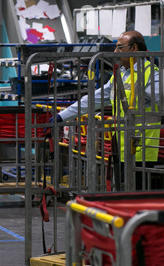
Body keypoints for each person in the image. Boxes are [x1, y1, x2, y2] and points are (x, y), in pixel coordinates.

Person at [53, 30, 161, 190]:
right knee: (122, 194)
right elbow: (92, 99)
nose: (115, 52)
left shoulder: (150, 74)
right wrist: (62, 116)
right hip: (120, 145)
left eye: (120, 48)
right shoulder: (122, 74)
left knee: (136, 196)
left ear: (134, 48)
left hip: (141, 149)